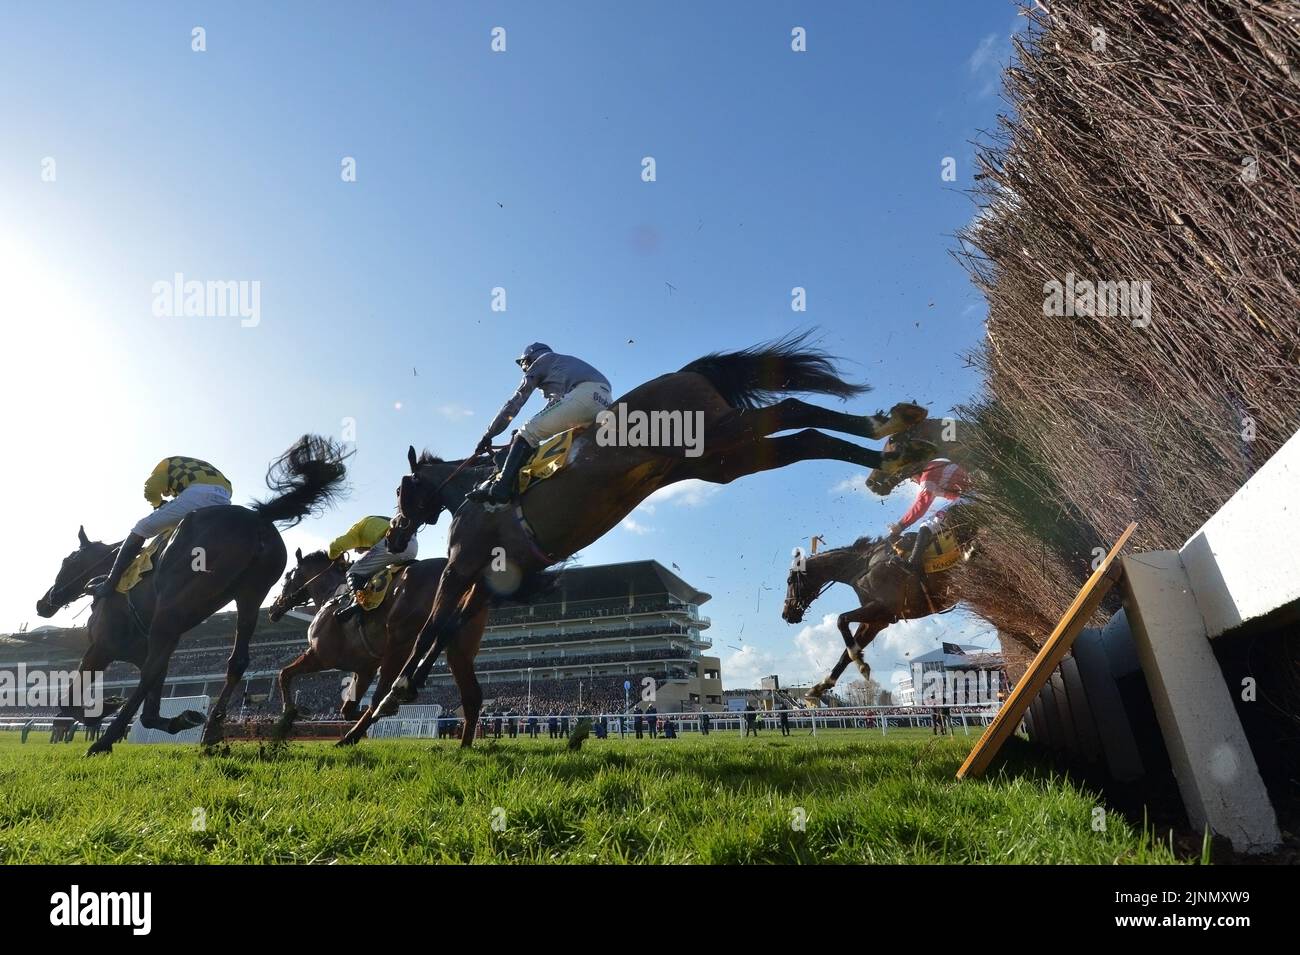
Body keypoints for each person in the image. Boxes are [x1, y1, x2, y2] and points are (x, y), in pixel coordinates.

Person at [466, 343, 612, 505]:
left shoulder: (541, 362)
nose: (524, 369)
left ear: (530, 358)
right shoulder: (560, 367)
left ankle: (502, 488)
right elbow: (552, 409)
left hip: (583, 397)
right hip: (605, 402)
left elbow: (515, 402)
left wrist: (489, 434)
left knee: (527, 433)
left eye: (523, 364)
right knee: (534, 434)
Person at [92, 456, 233, 599]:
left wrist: (158, 504)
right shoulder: (199, 468)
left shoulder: (165, 465)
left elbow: (151, 489)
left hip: (197, 494)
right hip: (225, 499)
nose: (169, 493)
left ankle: (109, 584)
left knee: (141, 528)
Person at [887, 458, 972, 575]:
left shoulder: (928, 476)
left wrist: (900, 525)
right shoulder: (937, 464)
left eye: (912, 479)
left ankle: (912, 564)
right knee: (942, 516)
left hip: (971, 497)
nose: (915, 482)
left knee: (927, 524)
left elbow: (920, 506)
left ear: (915, 472)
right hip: (973, 495)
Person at [327, 515, 418, 620]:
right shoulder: (376, 523)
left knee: (353, 572)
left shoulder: (356, 531)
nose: (356, 551)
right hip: (413, 546)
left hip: (393, 542)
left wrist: (335, 557)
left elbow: (333, 546)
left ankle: (358, 603)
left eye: (356, 549)